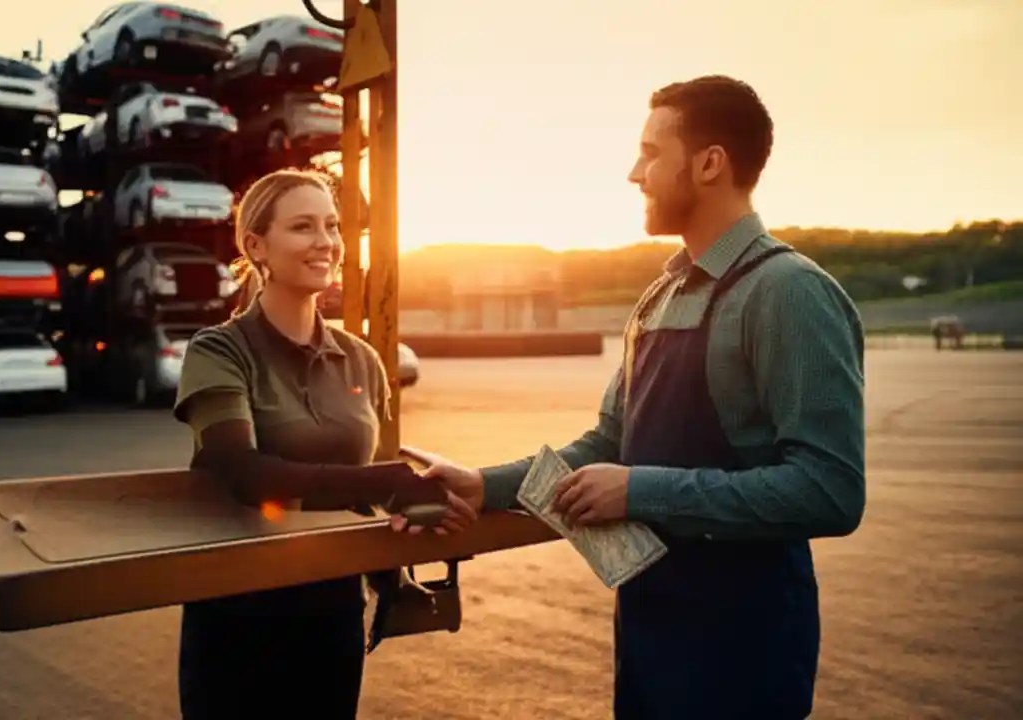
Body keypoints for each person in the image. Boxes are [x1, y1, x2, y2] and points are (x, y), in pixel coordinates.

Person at [399, 76, 867, 719]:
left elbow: (829, 490)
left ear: (709, 163)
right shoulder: (661, 295)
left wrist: (641, 490)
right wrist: (485, 484)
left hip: (743, 652)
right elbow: (610, 444)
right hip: (652, 637)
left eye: (650, 152)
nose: (633, 172)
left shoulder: (788, 292)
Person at [171, 169, 473, 719]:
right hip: (238, 615)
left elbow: (374, 483)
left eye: (332, 227)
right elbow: (240, 471)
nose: (326, 242)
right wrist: (388, 483)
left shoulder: (363, 360)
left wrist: (404, 553)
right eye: (303, 227)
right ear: (256, 245)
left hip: (332, 612)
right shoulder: (218, 351)